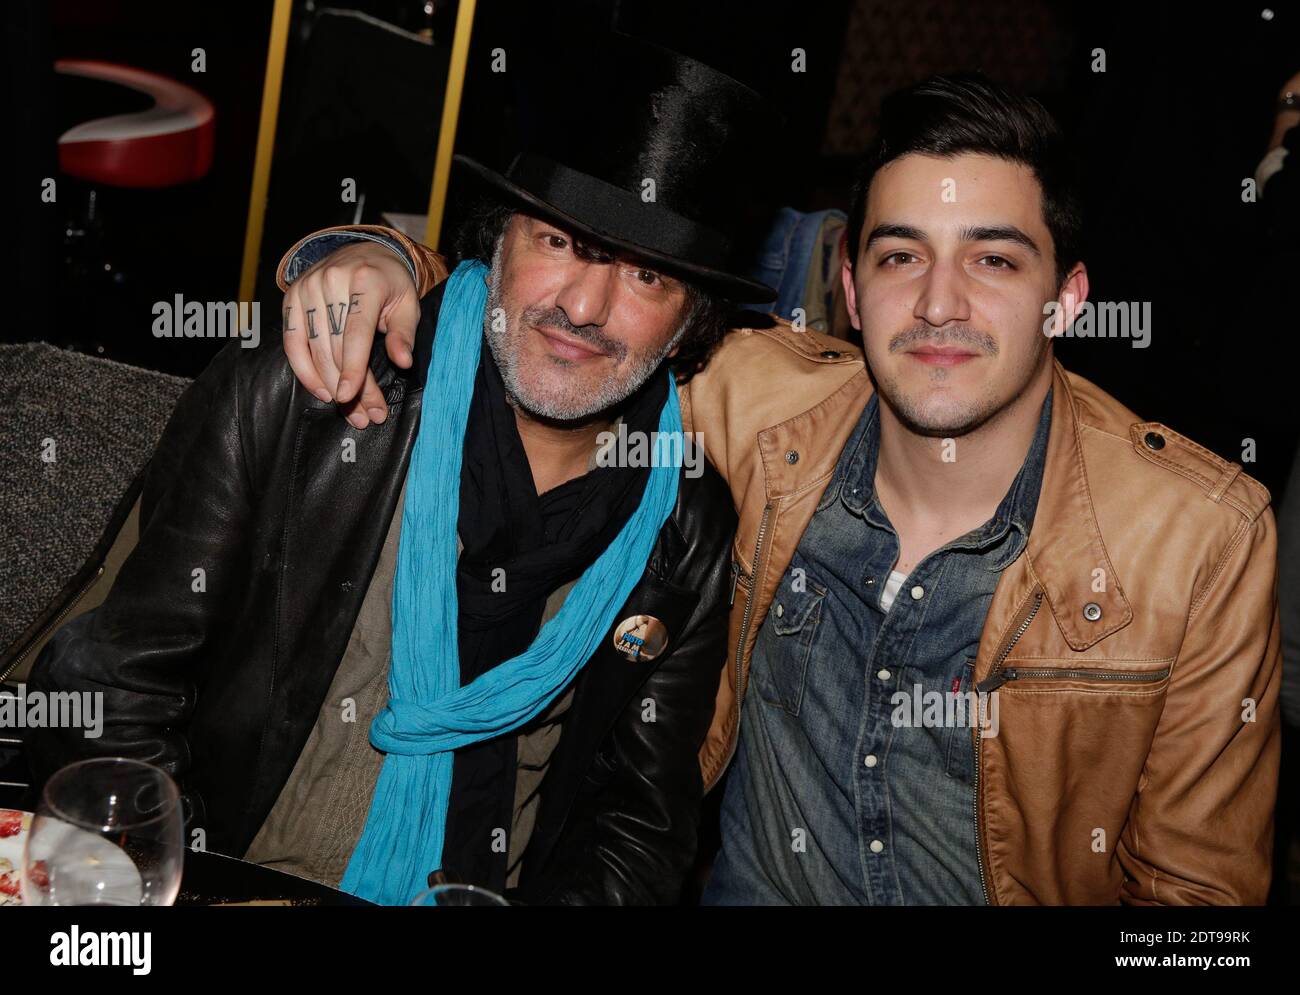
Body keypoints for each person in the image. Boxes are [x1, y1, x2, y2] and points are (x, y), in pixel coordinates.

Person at [267, 73, 1282, 905]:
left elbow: (1202, 909)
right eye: (899, 256)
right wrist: (373, 254)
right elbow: (560, 313)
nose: (937, 304)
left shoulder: (1196, 537)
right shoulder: (755, 403)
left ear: (1065, 297)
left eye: (993, 261)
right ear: (847, 285)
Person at [22, 36, 777, 906]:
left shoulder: (685, 526)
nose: (583, 306)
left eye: (647, 275)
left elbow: (638, 823)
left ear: (689, 326)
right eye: (561, 242)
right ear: (497, 243)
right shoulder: (311, 389)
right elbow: (110, 687)